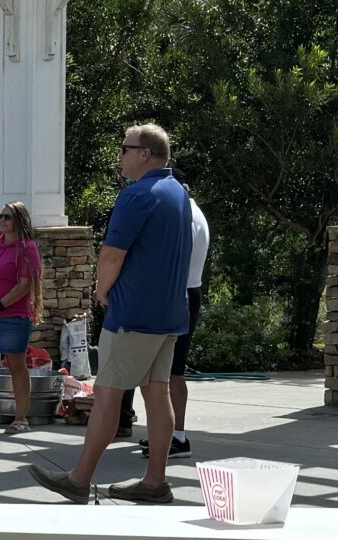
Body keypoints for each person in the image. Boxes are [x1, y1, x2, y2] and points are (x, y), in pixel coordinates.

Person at [28, 124, 191, 505]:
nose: (121, 155)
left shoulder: (137, 195)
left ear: (145, 154)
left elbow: (112, 254)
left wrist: (101, 291)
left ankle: (79, 478)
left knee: (107, 395)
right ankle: (155, 481)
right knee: (156, 391)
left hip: (133, 313)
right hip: (169, 313)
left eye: (125, 148)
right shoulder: (178, 193)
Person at [140, 194, 210, 459]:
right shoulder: (194, 211)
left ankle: (177, 437)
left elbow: (173, 258)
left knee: (170, 372)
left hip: (178, 293)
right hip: (186, 291)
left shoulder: (185, 216)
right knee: (166, 371)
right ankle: (167, 434)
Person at [0, 202, 44, 433]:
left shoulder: (27, 248)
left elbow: (25, 285)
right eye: (0, 216)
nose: (2, 220)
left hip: (13, 315)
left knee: (16, 365)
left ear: (19, 220)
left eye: (8, 217)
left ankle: (20, 418)